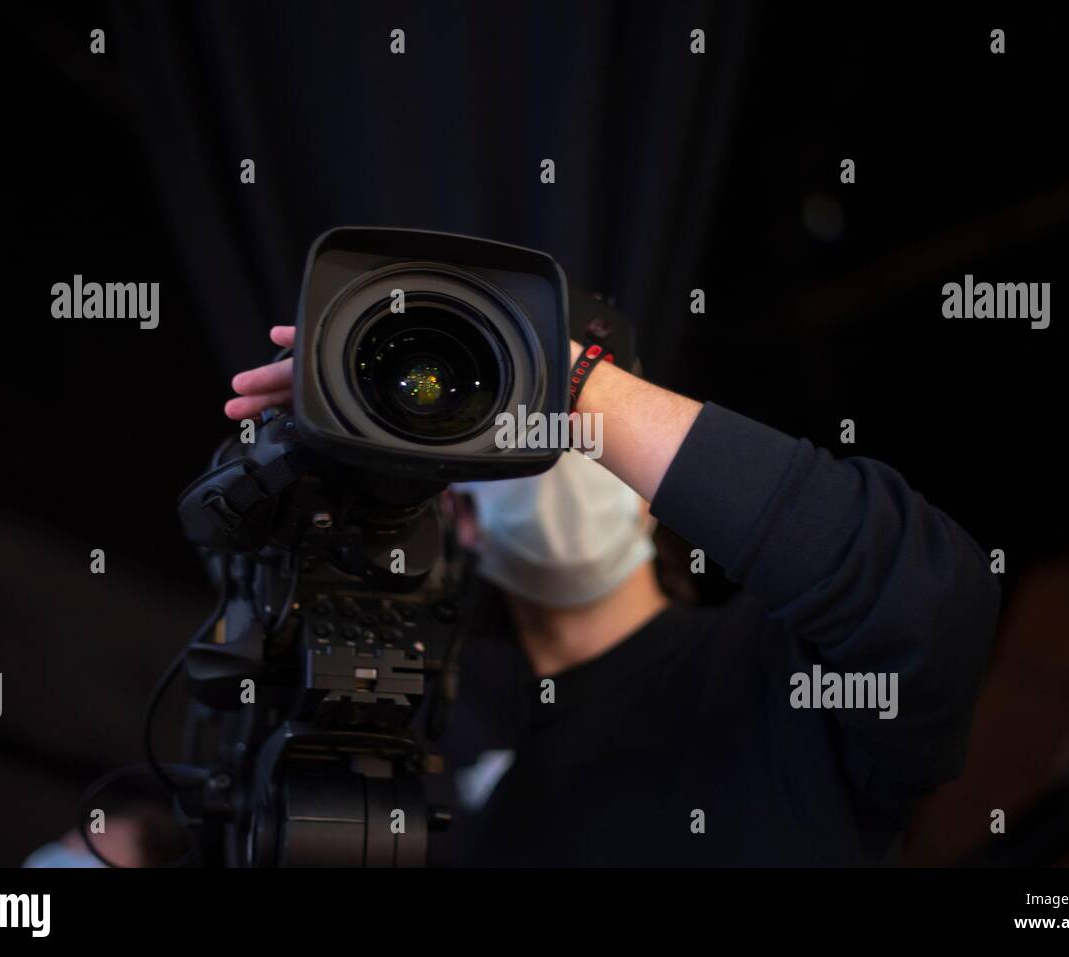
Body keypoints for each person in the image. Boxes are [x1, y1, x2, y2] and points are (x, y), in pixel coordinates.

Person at [225, 326, 1001, 866]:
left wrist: (570, 379)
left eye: (580, 438)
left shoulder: (779, 676)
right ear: (462, 518)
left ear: (648, 487)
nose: (561, 453)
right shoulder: (467, 807)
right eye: (518, 441)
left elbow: (929, 603)